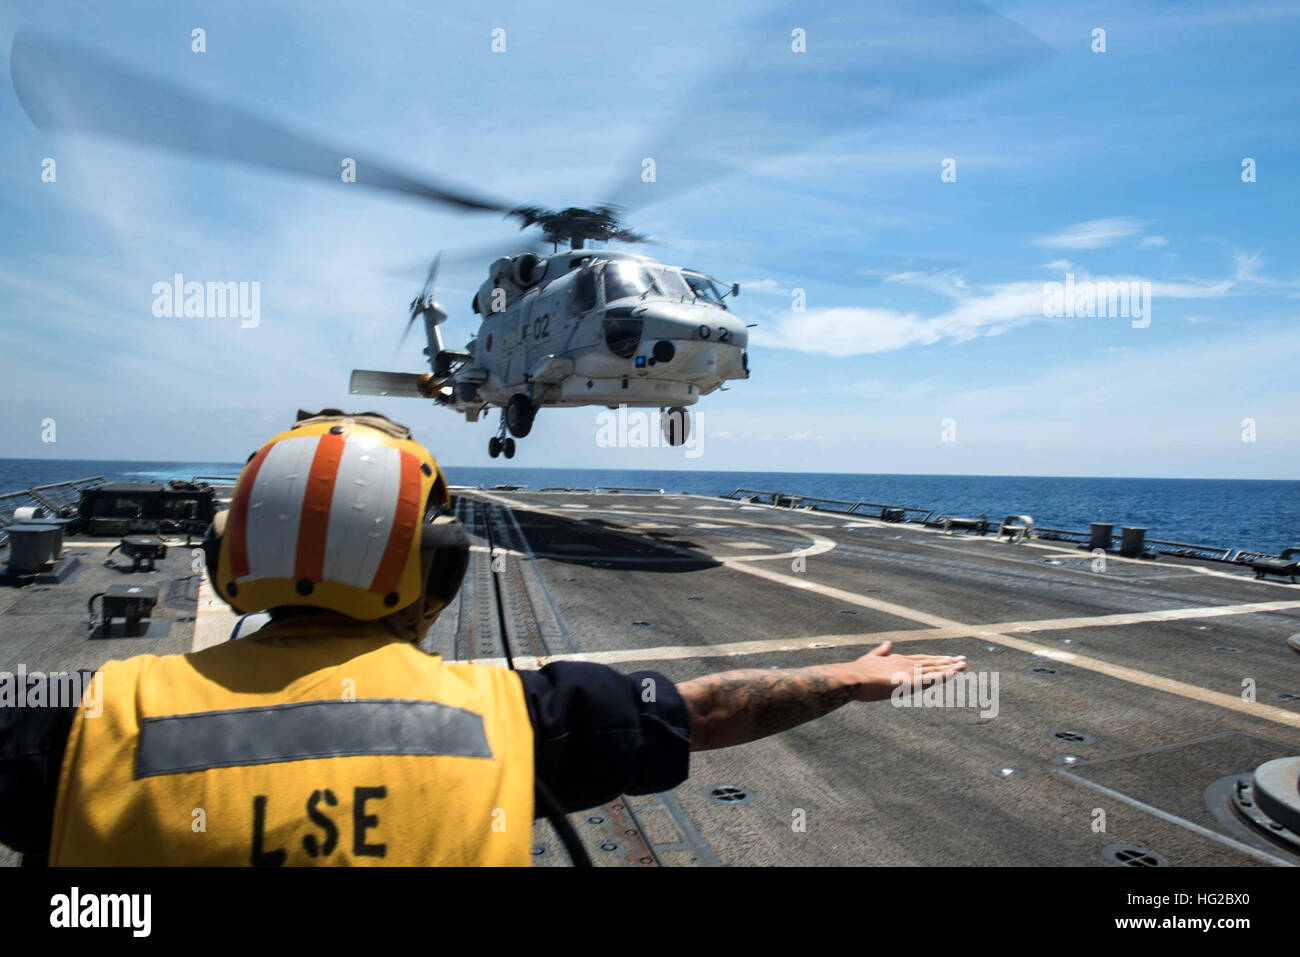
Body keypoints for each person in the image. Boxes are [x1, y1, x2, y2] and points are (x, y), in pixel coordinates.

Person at [0, 410, 966, 866]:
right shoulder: (511, 719)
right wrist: (845, 675)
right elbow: (707, 709)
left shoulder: (78, 728)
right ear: (442, 570)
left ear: (223, 562)